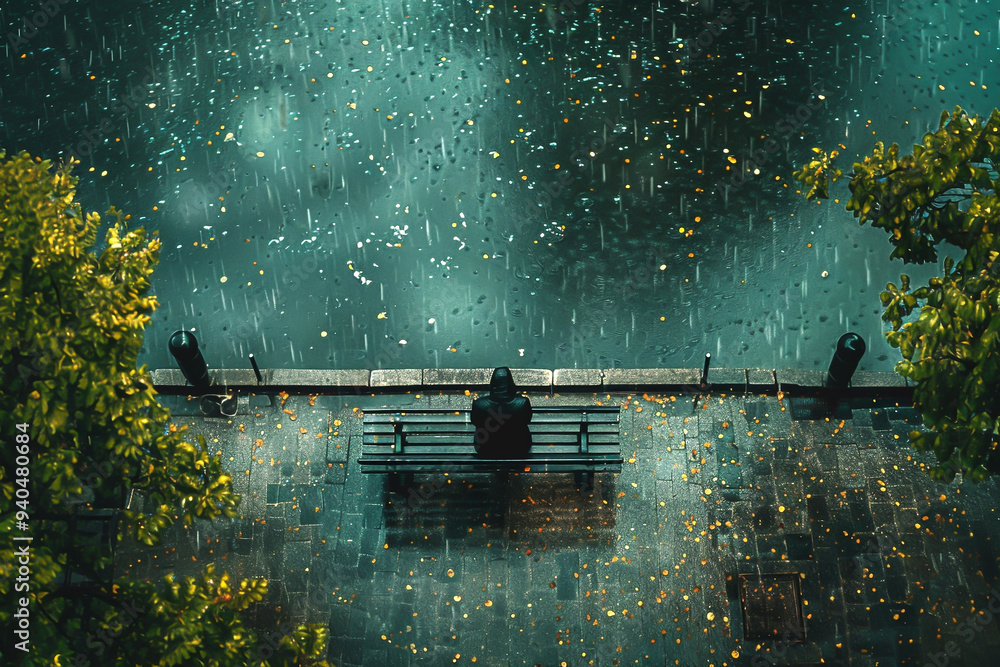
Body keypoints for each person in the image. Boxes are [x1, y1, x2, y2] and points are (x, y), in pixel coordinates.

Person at [471, 367, 532, 458]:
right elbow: (527, 420)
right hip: (518, 448)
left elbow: (475, 421)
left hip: (486, 449)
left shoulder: (479, 404)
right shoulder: (522, 403)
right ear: (510, 383)